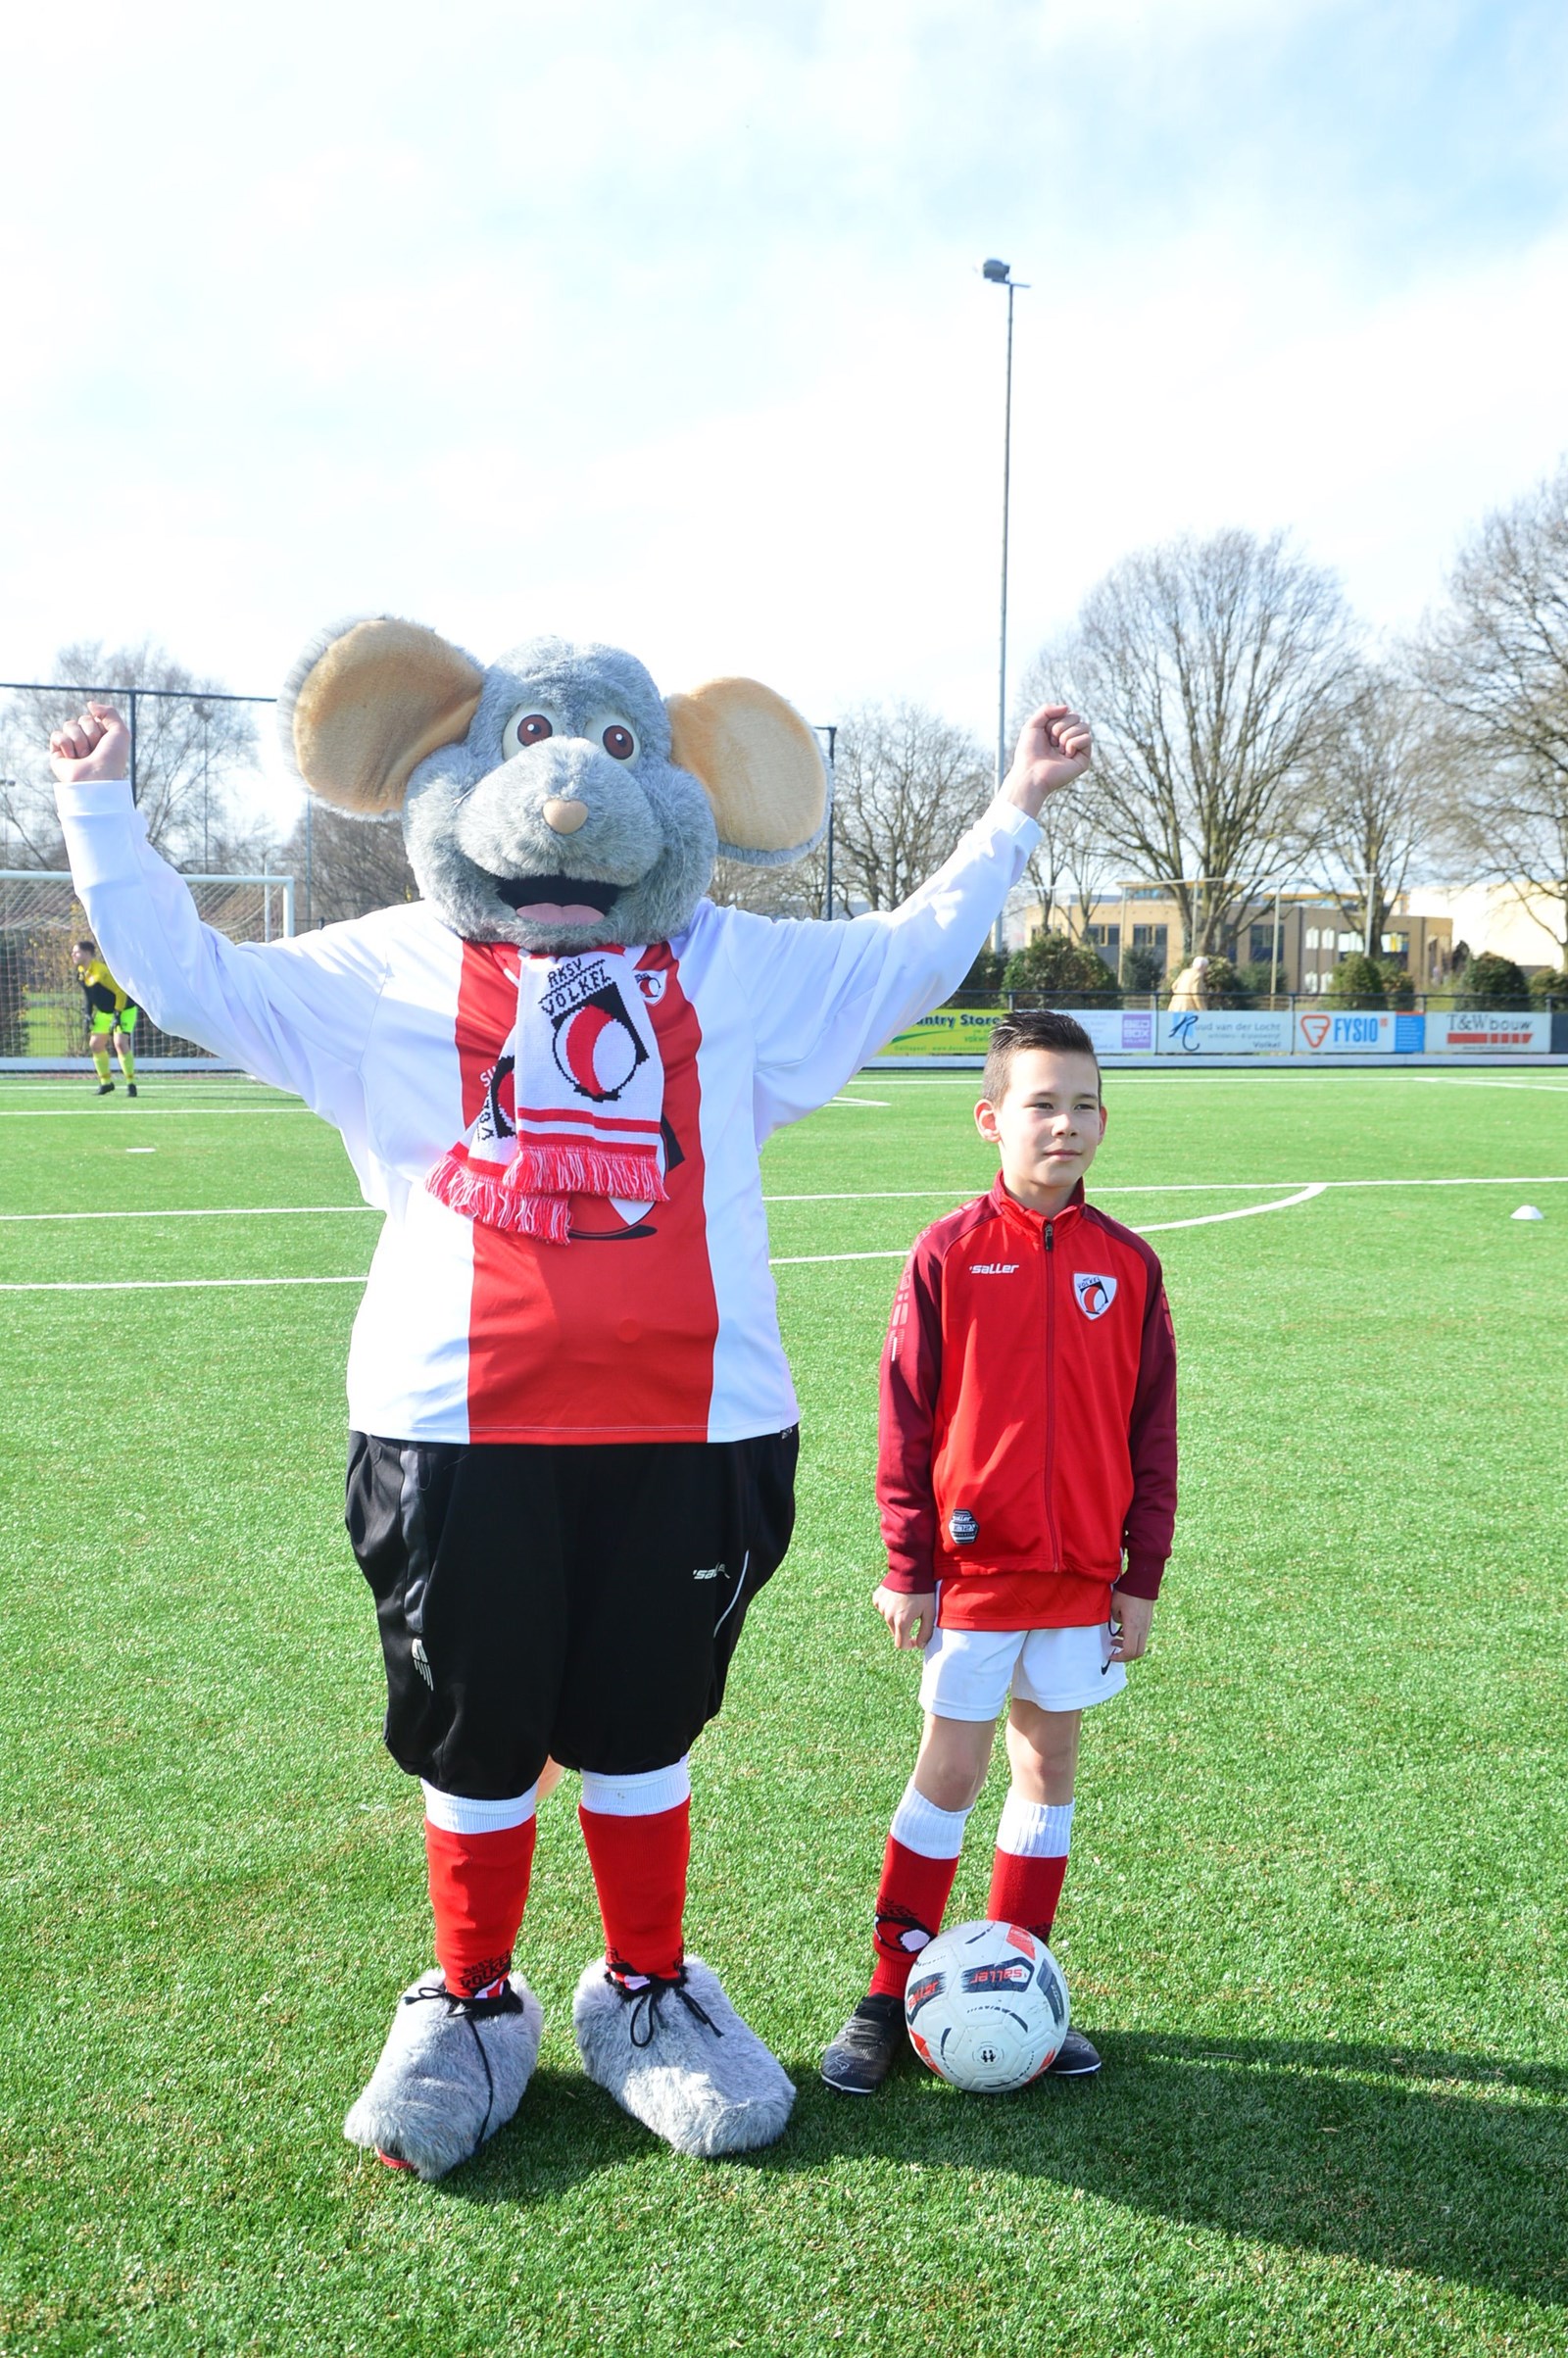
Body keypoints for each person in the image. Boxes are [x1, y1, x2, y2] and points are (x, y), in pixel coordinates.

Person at [820, 1008, 1177, 2092]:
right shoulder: (947, 1253)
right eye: (1039, 1104)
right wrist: (905, 1563)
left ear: (1103, 1121)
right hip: (974, 1573)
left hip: (1080, 1579)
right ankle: (889, 1991)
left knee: (1047, 1760)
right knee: (953, 1766)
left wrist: (1139, 1577)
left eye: (1080, 1105)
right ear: (990, 1120)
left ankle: (1019, 1974)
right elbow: (904, 1417)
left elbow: (1151, 1429)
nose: (1061, 1124)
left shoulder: (1128, 1263)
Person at [72, 936, 139, 1096]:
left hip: (124, 1009)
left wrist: (117, 1015)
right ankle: (106, 1083)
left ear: (88, 953)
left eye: (76, 952)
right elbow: (88, 995)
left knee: (120, 1043)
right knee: (95, 1044)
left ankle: (131, 1084)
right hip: (105, 1013)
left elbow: (120, 992)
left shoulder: (101, 972)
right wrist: (87, 1014)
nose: (73, 955)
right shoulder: (81, 973)